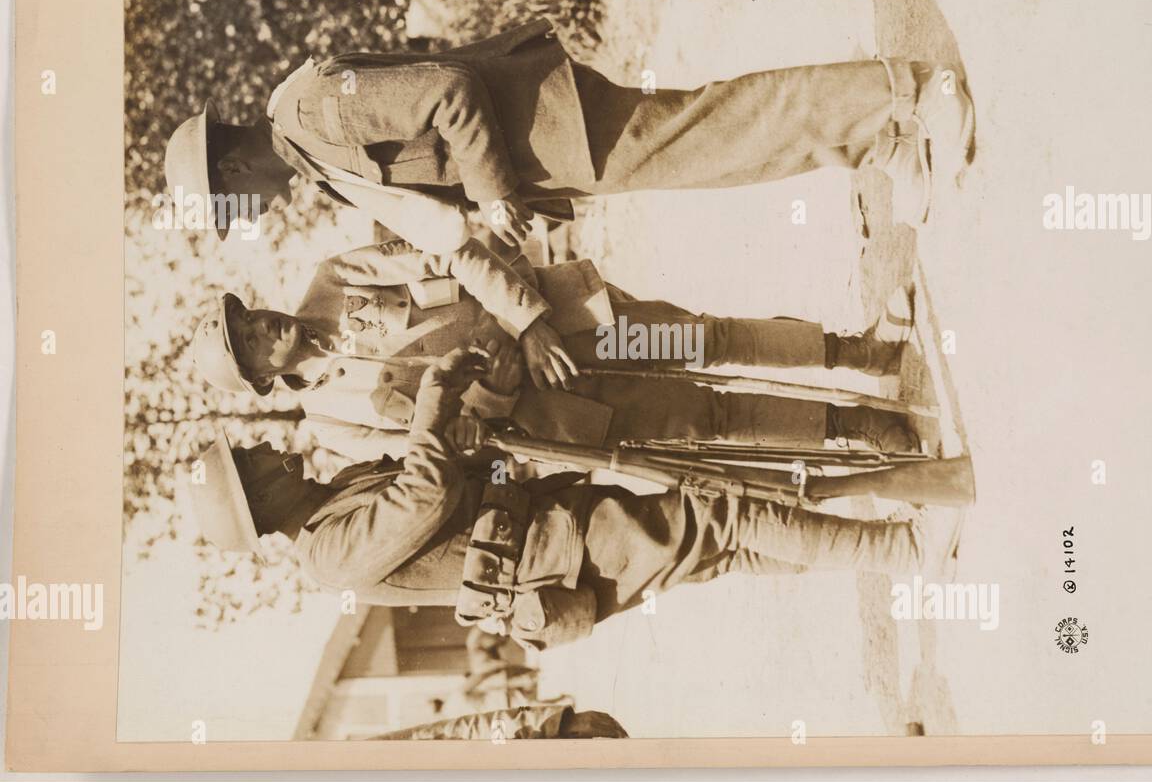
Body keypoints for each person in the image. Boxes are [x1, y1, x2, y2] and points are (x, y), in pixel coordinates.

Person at [178, 345, 964, 654]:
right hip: (558, 553)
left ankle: (896, 547)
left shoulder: (332, 504)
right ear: (258, 500)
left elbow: (443, 487)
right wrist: (426, 414)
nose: (269, 450)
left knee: (721, 548)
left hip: (553, 542)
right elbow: (423, 496)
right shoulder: (324, 552)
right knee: (716, 514)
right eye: (256, 463)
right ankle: (899, 550)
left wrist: (462, 416)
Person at [163, 18, 975, 250]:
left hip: (551, 123)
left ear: (234, 165)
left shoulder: (310, 115)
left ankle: (904, 91)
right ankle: (882, 138)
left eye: (234, 209)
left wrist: (492, 199)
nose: (251, 220)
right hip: (551, 146)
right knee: (722, 152)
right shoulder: (308, 152)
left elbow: (449, 91)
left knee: (724, 127)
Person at [187, 239, 923, 460]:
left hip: (562, 327)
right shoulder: (334, 425)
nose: (265, 328)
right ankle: (857, 430)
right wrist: (499, 394)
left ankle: (859, 351)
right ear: (260, 379)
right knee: (708, 417)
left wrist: (528, 323)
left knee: (706, 336)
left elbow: (453, 256)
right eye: (251, 344)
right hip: (552, 409)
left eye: (249, 317)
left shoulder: (334, 276)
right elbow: (435, 451)